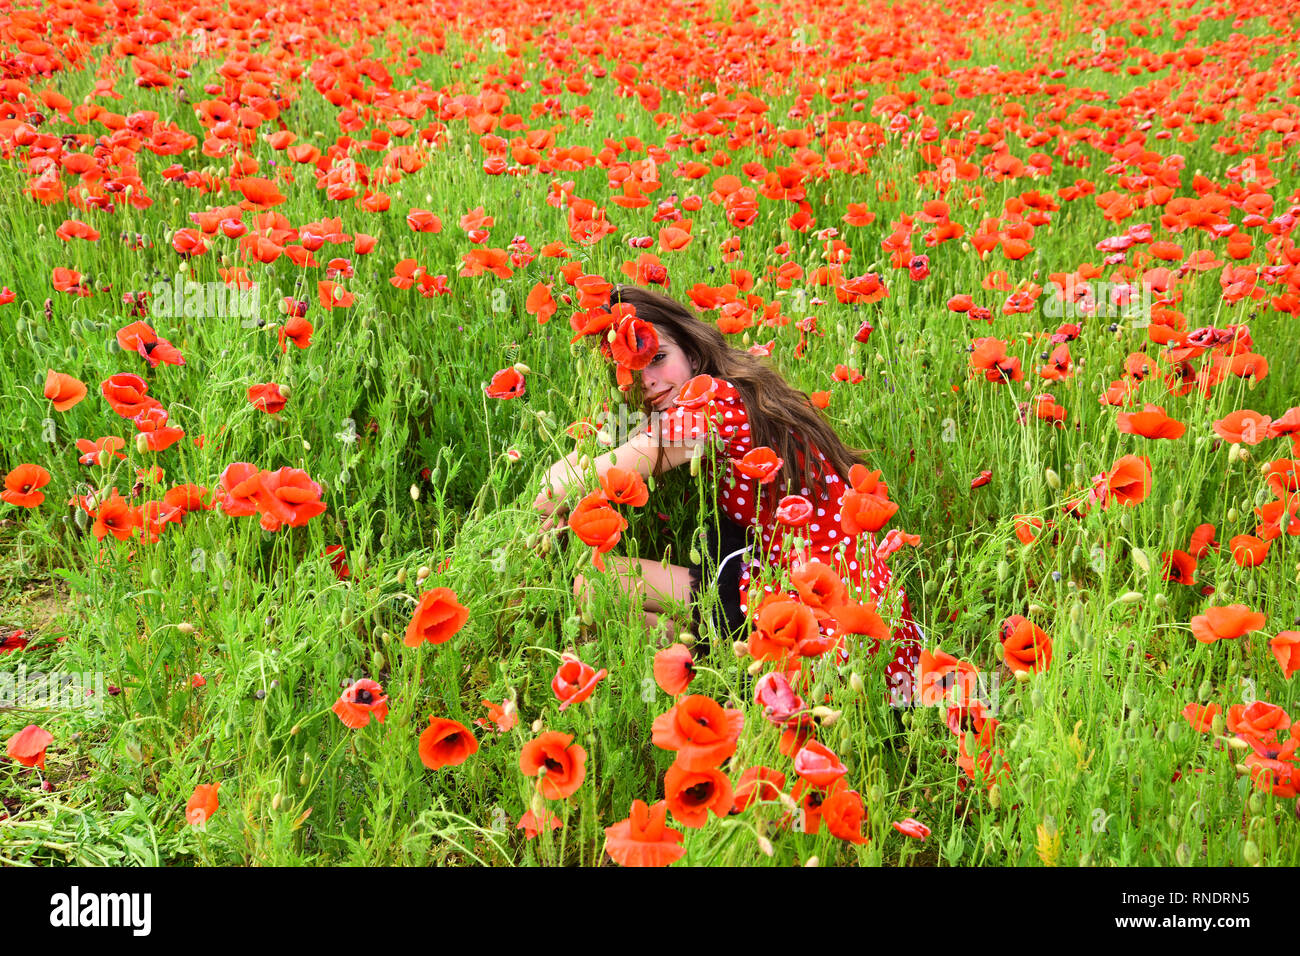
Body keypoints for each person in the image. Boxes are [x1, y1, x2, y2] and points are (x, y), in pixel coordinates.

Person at [533, 285, 923, 701]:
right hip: (847, 611)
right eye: (630, 368)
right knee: (616, 607)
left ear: (694, 356)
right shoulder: (738, 396)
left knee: (593, 586)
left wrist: (571, 479)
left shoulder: (711, 407)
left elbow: (550, 491)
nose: (647, 380)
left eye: (659, 357)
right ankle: (706, 675)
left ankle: (590, 696)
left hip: (822, 627)